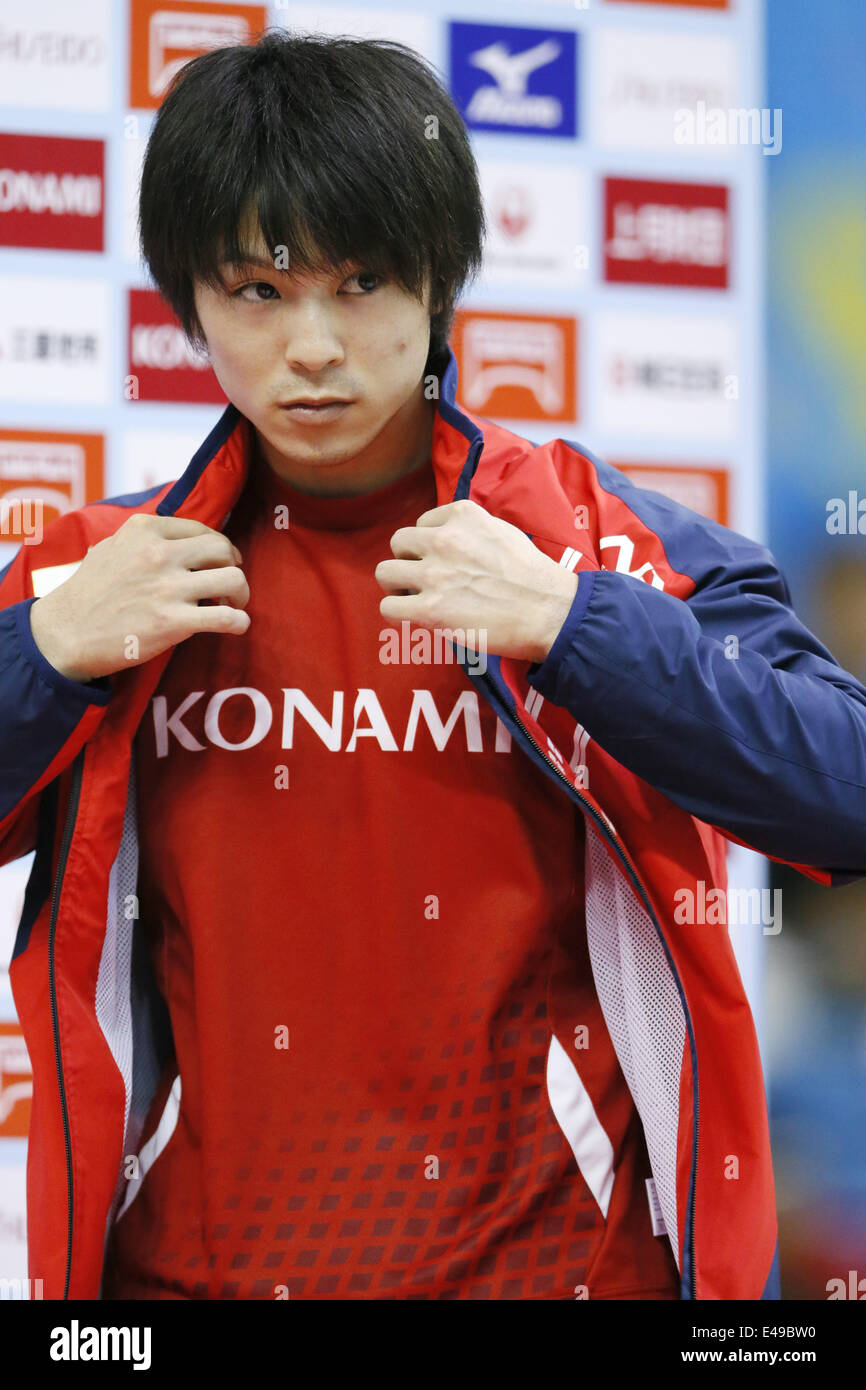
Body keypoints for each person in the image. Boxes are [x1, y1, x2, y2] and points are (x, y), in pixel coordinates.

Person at [2, 29, 865, 1303]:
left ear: (437, 286)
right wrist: (43, 657)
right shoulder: (100, 574)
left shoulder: (595, 545)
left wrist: (579, 628)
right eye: (257, 290)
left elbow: (843, 790)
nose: (310, 345)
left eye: (358, 286)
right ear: (188, 301)